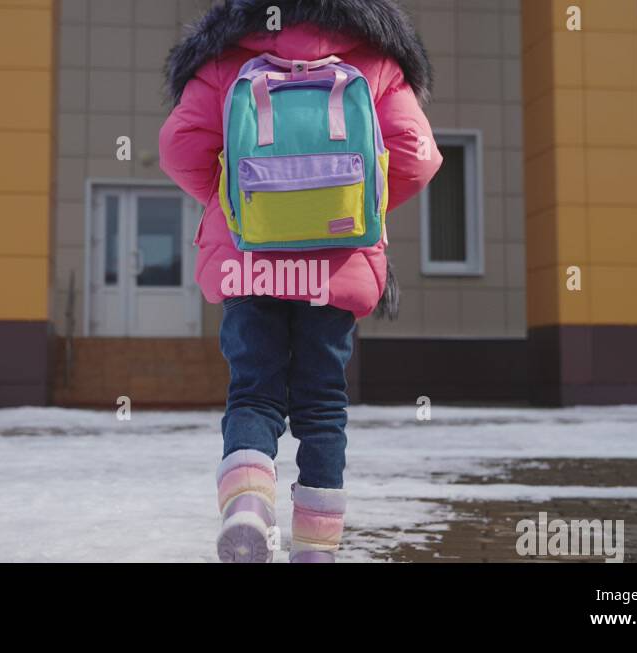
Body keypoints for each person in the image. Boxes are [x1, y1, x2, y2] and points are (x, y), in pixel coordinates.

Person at [159, 0, 442, 562]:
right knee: (322, 406)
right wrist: (362, 212)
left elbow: (178, 149)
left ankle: (245, 504)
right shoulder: (377, 60)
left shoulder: (224, 58)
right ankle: (316, 548)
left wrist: (234, 209)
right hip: (336, 264)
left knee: (253, 391)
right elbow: (417, 155)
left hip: (250, 261)